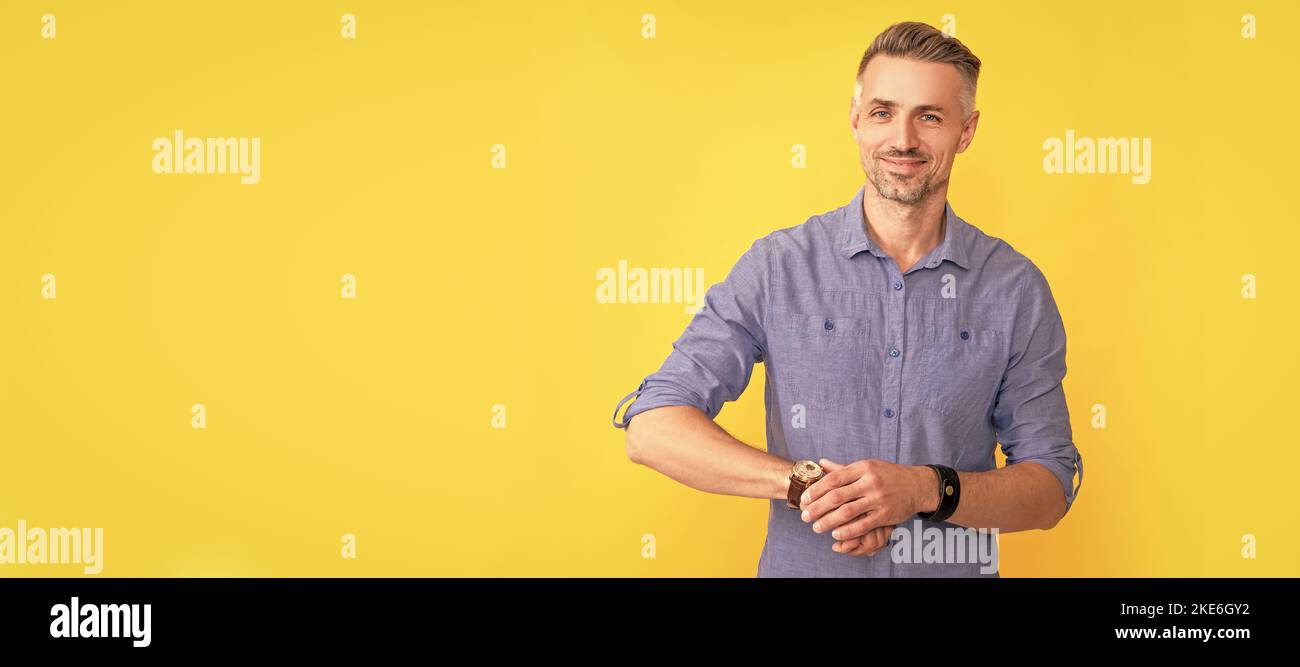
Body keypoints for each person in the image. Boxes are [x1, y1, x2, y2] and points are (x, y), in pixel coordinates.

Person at [611, 21, 1082, 577]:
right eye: (883, 112)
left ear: (966, 130)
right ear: (857, 119)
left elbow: (1050, 485)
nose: (903, 139)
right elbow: (652, 427)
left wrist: (926, 489)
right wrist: (811, 487)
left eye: (929, 116)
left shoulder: (1016, 288)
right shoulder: (778, 266)